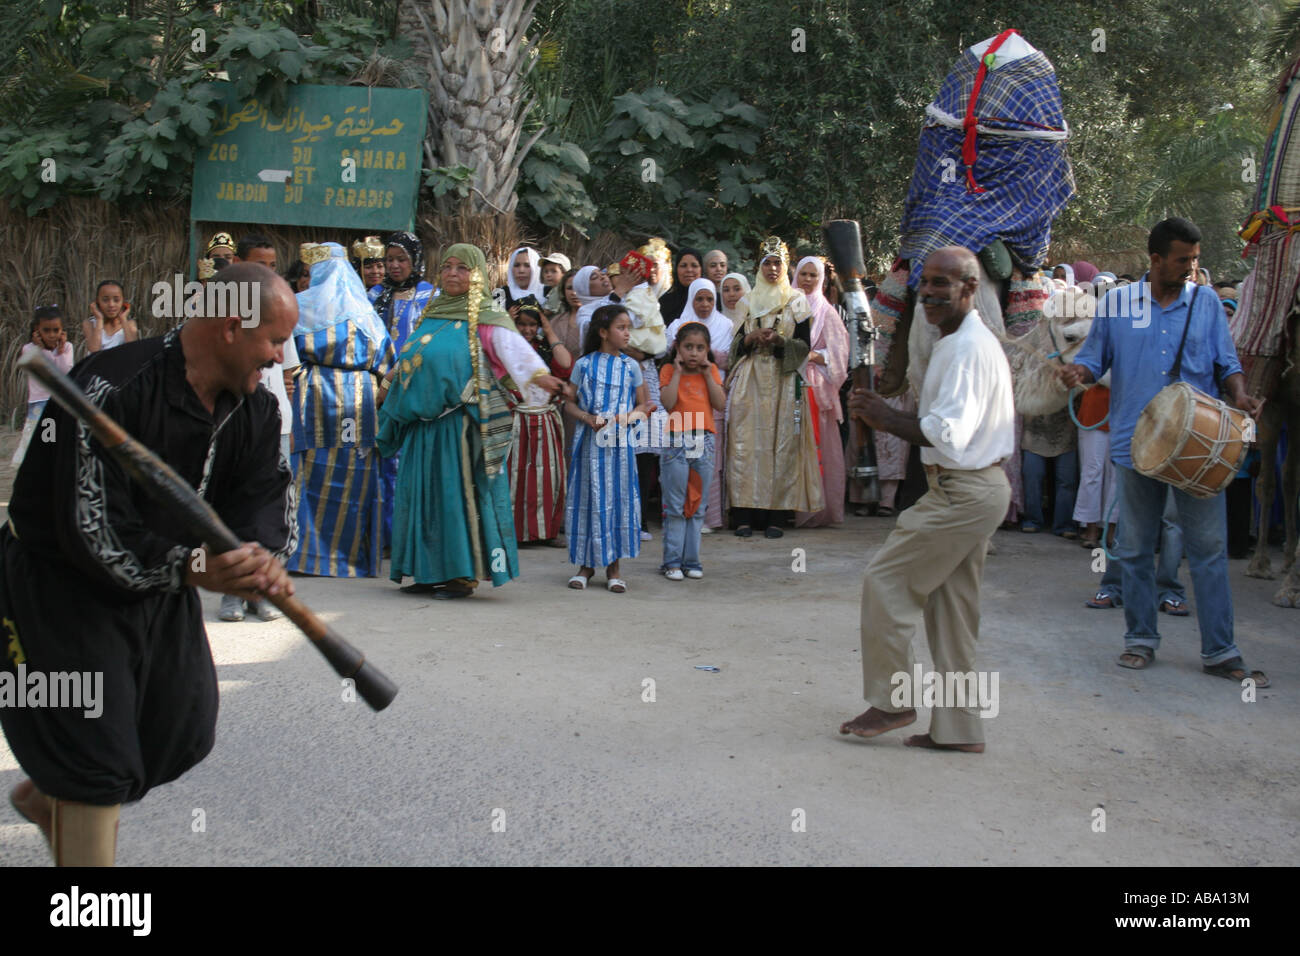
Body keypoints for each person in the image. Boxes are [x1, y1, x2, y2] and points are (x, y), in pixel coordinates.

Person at [2, 262, 298, 865]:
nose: (279, 355)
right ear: (229, 327)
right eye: (273, 338)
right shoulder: (111, 386)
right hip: (60, 587)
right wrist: (194, 566)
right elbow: (91, 527)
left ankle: (50, 795)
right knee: (95, 755)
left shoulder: (256, 409)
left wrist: (256, 555)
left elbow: (265, 493)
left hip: (160, 581)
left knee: (180, 729)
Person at [1059, 217, 1268, 684]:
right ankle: (1140, 640)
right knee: (1133, 548)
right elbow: (1094, 360)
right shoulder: (1116, 304)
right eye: (1182, 260)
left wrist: (1240, 395)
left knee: (1209, 551)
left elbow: (1227, 363)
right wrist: (1080, 374)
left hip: (1195, 446)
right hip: (1136, 443)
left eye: (1195, 260)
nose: (1191, 268)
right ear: (1154, 260)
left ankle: (1221, 651)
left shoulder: (1207, 302)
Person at [838, 246, 1014, 753]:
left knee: (887, 580)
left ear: (969, 289)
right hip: (976, 489)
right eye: (926, 283)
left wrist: (881, 415)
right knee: (953, 612)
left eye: (944, 283)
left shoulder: (963, 349)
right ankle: (960, 731)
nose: (930, 293)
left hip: (963, 490)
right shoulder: (960, 342)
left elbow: (947, 435)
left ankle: (894, 701)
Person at [377, 243, 565, 598]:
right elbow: (409, 359)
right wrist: (386, 387)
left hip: (458, 429)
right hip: (422, 428)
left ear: (476, 274)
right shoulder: (432, 312)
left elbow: (515, 352)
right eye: (447, 266)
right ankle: (429, 572)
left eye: (462, 268)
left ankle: (462, 576)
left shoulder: (486, 317)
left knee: (454, 501)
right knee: (424, 500)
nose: (452, 273)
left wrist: (543, 379)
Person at [287, 243, 395, 579]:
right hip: (357, 401)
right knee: (353, 474)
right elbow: (388, 361)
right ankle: (348, 559)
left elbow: (282, 354)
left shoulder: (298, 307)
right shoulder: (366, 312)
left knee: (308, 473)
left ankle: (305, 556)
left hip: (312, 396)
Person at [726, 236, 822, 538]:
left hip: (784, 378)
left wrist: (781, 342)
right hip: (751, 379)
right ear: (759, 266)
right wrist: (750, 340)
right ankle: (743, 515)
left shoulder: (797, 301)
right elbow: (732, 349)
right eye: (767, 263)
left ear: (786, 265)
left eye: (778, 262)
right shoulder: (747, 301)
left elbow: (805, 346)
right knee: (746, 444)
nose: (772, 268)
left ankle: (776, 516)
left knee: (782, 444)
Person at [565, 305, 650, 592]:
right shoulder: (584, 365)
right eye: (621, 327)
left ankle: (614, 569)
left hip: (620, 447)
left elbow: (643, 406)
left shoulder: (631, 367)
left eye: (628, 328)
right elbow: (569, 403)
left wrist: (624, 419)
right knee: (589, 499)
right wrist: (588, 418)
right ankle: (585, 567)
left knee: (617, 500)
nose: (627, 333)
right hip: (590, 444)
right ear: (603, 332)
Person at [369, 231, 436, 549]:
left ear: (416, 262)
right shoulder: (373, 296)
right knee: (382, 458)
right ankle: (382, 535)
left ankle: (408, 538)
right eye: (389, 260)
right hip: (376, 390)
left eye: (401, 260)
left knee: (410, 462)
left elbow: (430, 343)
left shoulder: (430, 296)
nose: (394, 266)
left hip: (413, 388)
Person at [666, 277, 735, 532]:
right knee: (681, 462)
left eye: (709, 299)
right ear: (690, 299)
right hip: (682, 403)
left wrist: (708, 362)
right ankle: (681, 513)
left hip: (712, 398)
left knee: (710, 463)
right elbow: (670, 357)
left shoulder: (726, 325)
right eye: (699, 298)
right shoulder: (677, 325)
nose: (704, 304)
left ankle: (708, 517)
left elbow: (728, 361)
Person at [658, 322, 726, 579]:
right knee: (675, 505)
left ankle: (692, 561)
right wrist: (676, 373)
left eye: (700, 348)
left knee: (698, 505)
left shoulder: (712, 371)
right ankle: (672, 562)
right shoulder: (667, 369)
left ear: (708, 350)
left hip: (704, 437)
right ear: (677, 348)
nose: (694, 353)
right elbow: (667, 402)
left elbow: (720, 404)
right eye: (688, 347)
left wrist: (709, 375)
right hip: (677, 436)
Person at [507, 299, 573, 545]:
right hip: (515, 419)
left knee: (548, 477)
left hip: (545, 419)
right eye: (521, 324)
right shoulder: (505, 348)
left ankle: (546, 532)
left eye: (531, 324)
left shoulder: (544, 348)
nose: (526, 330)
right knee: (515, 476)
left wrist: (547, 327)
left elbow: (565, 364)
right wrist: (505, 325)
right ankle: (513, 532)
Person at [792, 256, 850, 528]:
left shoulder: (827, 312)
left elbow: (840, 356)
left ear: (821, 280)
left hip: (814, 389)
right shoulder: (786, 306)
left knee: (816, 448)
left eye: (812, 275)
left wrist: (813, 355)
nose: (806, 280)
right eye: (802, 274)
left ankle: (817, 509)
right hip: (787, 386)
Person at [11, 305, 74, 468]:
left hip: (60, 401)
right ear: (37, 331)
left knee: (55, 439)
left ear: (62, 330)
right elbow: (44, 371)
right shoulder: (29, 350)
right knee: (36, 438)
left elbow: (63, 372)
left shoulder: (67, 348)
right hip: (39, 402)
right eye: (46, 331)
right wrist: (42, 350)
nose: (52, 335)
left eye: (56, 330)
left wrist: (59, 352)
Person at [82, 280, 138, 352]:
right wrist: (99, 319)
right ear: (97, 301)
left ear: (123, 302)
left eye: (116, 300)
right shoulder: (89, 324)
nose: (111, 304)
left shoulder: (130, 324)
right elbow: (94, 350)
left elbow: (133, 349)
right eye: (105, 300)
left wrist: (123, 319)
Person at [657, 247, 704, 321]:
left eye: (694, 265)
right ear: (676, 269)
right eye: (683, 266)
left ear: (701, 270)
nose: (689, 270)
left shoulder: (712, 300)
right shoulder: (664, 302)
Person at [499, 246, 546, 317]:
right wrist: (506, 319)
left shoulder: (548, 294)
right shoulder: (500, 294)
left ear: (536, 269)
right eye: (517, 265)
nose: (521, 270)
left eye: (527, 265)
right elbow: (491, 323)